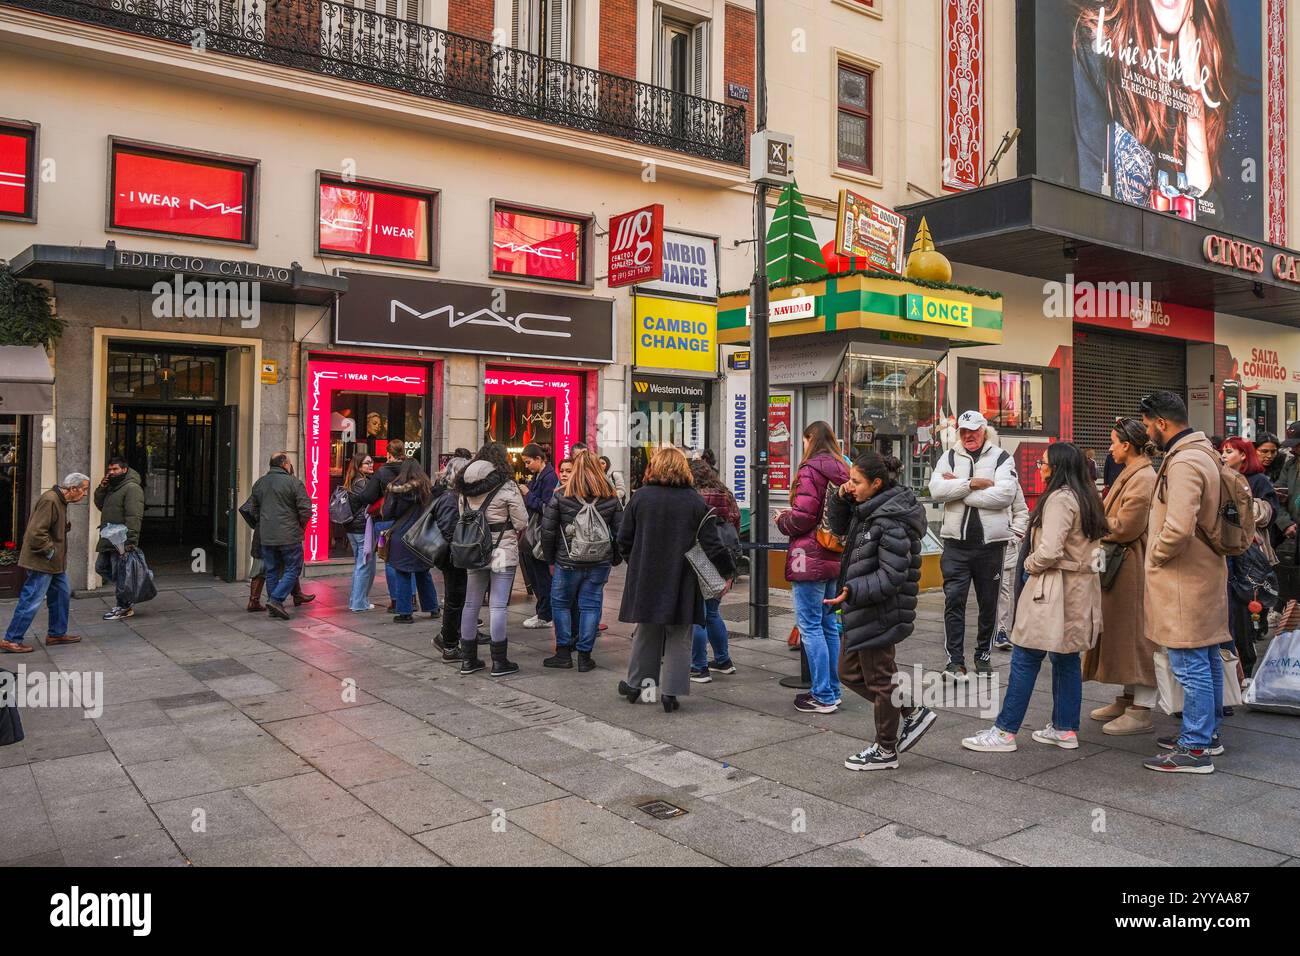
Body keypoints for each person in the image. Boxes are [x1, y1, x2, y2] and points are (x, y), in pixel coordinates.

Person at [962, 443, 1106, 754]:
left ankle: (1004, 731)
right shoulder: (1088, 497)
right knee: (1066, 659)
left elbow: (1050, 550)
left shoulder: (1059, 499)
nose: (1039, 468)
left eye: (1043, 463)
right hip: (1078, 589)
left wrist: (1029, 565)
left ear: (1057, 467)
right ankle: (1065, 728)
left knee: (1025, 657)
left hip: (1052, 589)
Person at [824, 452, 935, 770]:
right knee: (848, 672)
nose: (850, 485)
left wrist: (853, 590)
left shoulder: (891, 520)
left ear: (876, 483)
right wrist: (841, 497)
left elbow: (893, 575)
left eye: (856, 482)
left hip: (880, 610)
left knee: (880, 680)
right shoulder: (868, 509)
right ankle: (910, 709)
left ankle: (885, 749)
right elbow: (839, 527)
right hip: (860, 607)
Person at [1139, 391, 1230, 773]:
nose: (1146, 432)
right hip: (1202, 572)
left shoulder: (1184, 462)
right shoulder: (1204, 452)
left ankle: (1193, 747)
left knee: (1190, 661)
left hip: (1183, 578)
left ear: (1162, 423)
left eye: (1146, 425)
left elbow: (1177, 526)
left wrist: (1157, 557)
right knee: (1205, 656)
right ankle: (1205, 735)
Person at [617, 446, 734, 713]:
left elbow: (624, 539)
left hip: (647, 575)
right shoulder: (693, 501)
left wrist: (635, 562)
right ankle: (671, 693)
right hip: (682, 577)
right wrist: (727, 572)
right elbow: (712, 543)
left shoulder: (640, 498)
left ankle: (638, 686)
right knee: (680, 634)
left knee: (647, 632)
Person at [928, 409, 1019, 681]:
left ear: (984, 430)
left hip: (990, 546)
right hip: (955, 544)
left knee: (988, 603)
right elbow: (935, 490)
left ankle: (983, 655)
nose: (969, 436)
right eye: (964, 432)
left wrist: (959, 491)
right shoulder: (950, 456)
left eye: (974, 431)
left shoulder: (1002, 457)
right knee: (953, 601)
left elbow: (1004, 495)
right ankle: (955, 661)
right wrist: (972, 483)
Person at [1084, 417, 1159, 734]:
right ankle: (1130, 697)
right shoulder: (1134, 473)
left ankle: (1141, 707)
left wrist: (1095, 523)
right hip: (1122, 564)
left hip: (1132, 566)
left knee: (1135, 634)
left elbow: (1128, 526)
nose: (1110, 448)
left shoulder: (1142, 478)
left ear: (1127, 445)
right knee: (1124, 632)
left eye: (1113, 442)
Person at [775, 421, 850, 714]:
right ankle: (832, 688)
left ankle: (822, 695)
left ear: (811, 439)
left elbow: (804, 516)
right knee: (830, 625)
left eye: (804, 440)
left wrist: (783, 520)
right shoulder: (843, 468)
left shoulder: (811, 469)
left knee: (810, 626)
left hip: (809, 554)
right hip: (834, 552)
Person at [540, 450, 622, 672]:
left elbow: (547, 532)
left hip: (567, 561)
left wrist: (550, 560)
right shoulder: (611, 495)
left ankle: (563, 653)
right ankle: (585, 657)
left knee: (561, 604)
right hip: (599, 561)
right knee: (591, 606)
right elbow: (621, 532)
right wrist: (614, 558)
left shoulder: (560, 495)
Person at [454, 443, 529, 676]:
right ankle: (499, 661)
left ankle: (468, 659)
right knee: (497, 605)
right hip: (500, 549)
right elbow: (522, 521)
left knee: (471, 603)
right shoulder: (506, 485)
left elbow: (462, 516)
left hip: (474, 549)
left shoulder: (464, 488)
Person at [0, 473, 91, 653]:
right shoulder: (50, 500)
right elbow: (35, 533)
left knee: (61, 595)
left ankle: (56, 634)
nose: (85, 494)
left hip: (55, 563)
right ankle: (11, 639)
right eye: (84, 489)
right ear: (73, 489)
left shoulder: (60, 501)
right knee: (32, 599)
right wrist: (51, 552)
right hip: (43, 562)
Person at [1220, 437, 1280, 677]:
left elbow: (1269, 513)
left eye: (1229, 451)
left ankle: (1245, 665)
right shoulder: (1220, 479)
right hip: (1229, 553)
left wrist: (1245, 505)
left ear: (1244, 454)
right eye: (1222, 451)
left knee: (1245, 614)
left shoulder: (1258, 481)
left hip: (1251, 554)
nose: (1224, 456)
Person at [688, 458, 741, 683]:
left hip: (700, 556)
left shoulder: (692, 496)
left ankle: (698, 667)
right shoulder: (726, 493)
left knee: (696, 615)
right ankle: (723, 660)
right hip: (724, 556)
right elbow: (736, 522)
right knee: (712, 612)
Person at [376, 444, 439, 618]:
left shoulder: (396, 490)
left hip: (402, 536)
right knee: (423, 572)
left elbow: (389, 513)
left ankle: (404, 612)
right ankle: (433, 608)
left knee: (402, 573)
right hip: (422, 536)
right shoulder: (427, 489)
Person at [248, 453, 313, 620]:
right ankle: (276, 600)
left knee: (272, 571)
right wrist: (300, 526)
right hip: (289, 535)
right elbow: (306, 509)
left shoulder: (260, 483)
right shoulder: (294, 482)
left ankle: (272, 605)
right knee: (294, 567)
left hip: (266, 535)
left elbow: (253, 509)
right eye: (289, 463)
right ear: (284, 464)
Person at [94, 456, 144, 622]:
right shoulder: (113, 487)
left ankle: (124, 606)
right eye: (110, 470)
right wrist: (102, 486)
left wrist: (130, 541)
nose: (112, 472)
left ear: (124, 469)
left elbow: (134, 516)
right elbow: (100, 504)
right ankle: (127, 591)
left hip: (121, 539)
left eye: (115, 469)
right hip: (109, 536)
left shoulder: (131, 488)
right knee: (101, 567)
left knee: (121, 572)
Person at [433, 456, 471, 662]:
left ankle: (448, 638)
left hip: (456, 554)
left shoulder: (456, 495)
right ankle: (448, 644)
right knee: (455, 599)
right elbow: (449, 529)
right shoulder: (450, 497)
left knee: (459, 598)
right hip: (453, 556)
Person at [518, 442, 558, 630]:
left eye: (528, 462)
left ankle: (546, 613)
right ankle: (543, 610)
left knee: (540, 574)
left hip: (541, 532)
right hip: (534, 531)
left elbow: (546, 507)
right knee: (535, 572)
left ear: (539, 459)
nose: (526, 466)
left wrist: (527, 494)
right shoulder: (539, 476)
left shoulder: (549, 478)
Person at [340, 452, 382, 612]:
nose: (371, 465)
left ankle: (359, 600)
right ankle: (358, 602)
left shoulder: (353, 480)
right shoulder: (362, 483)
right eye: (367, 463)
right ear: (358, 466)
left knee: (362, 563)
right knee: (364, 564)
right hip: (362, 528)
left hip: (353, 527)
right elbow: (370, 501)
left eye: (371, 462)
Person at [993, 477, 1029, 651]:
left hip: (1005, 546)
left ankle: (1000, 630)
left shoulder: (1011, 481)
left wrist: (1014, 536)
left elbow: (1022, 512)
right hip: (977, 547)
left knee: (1003, 589)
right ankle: (986, 629)